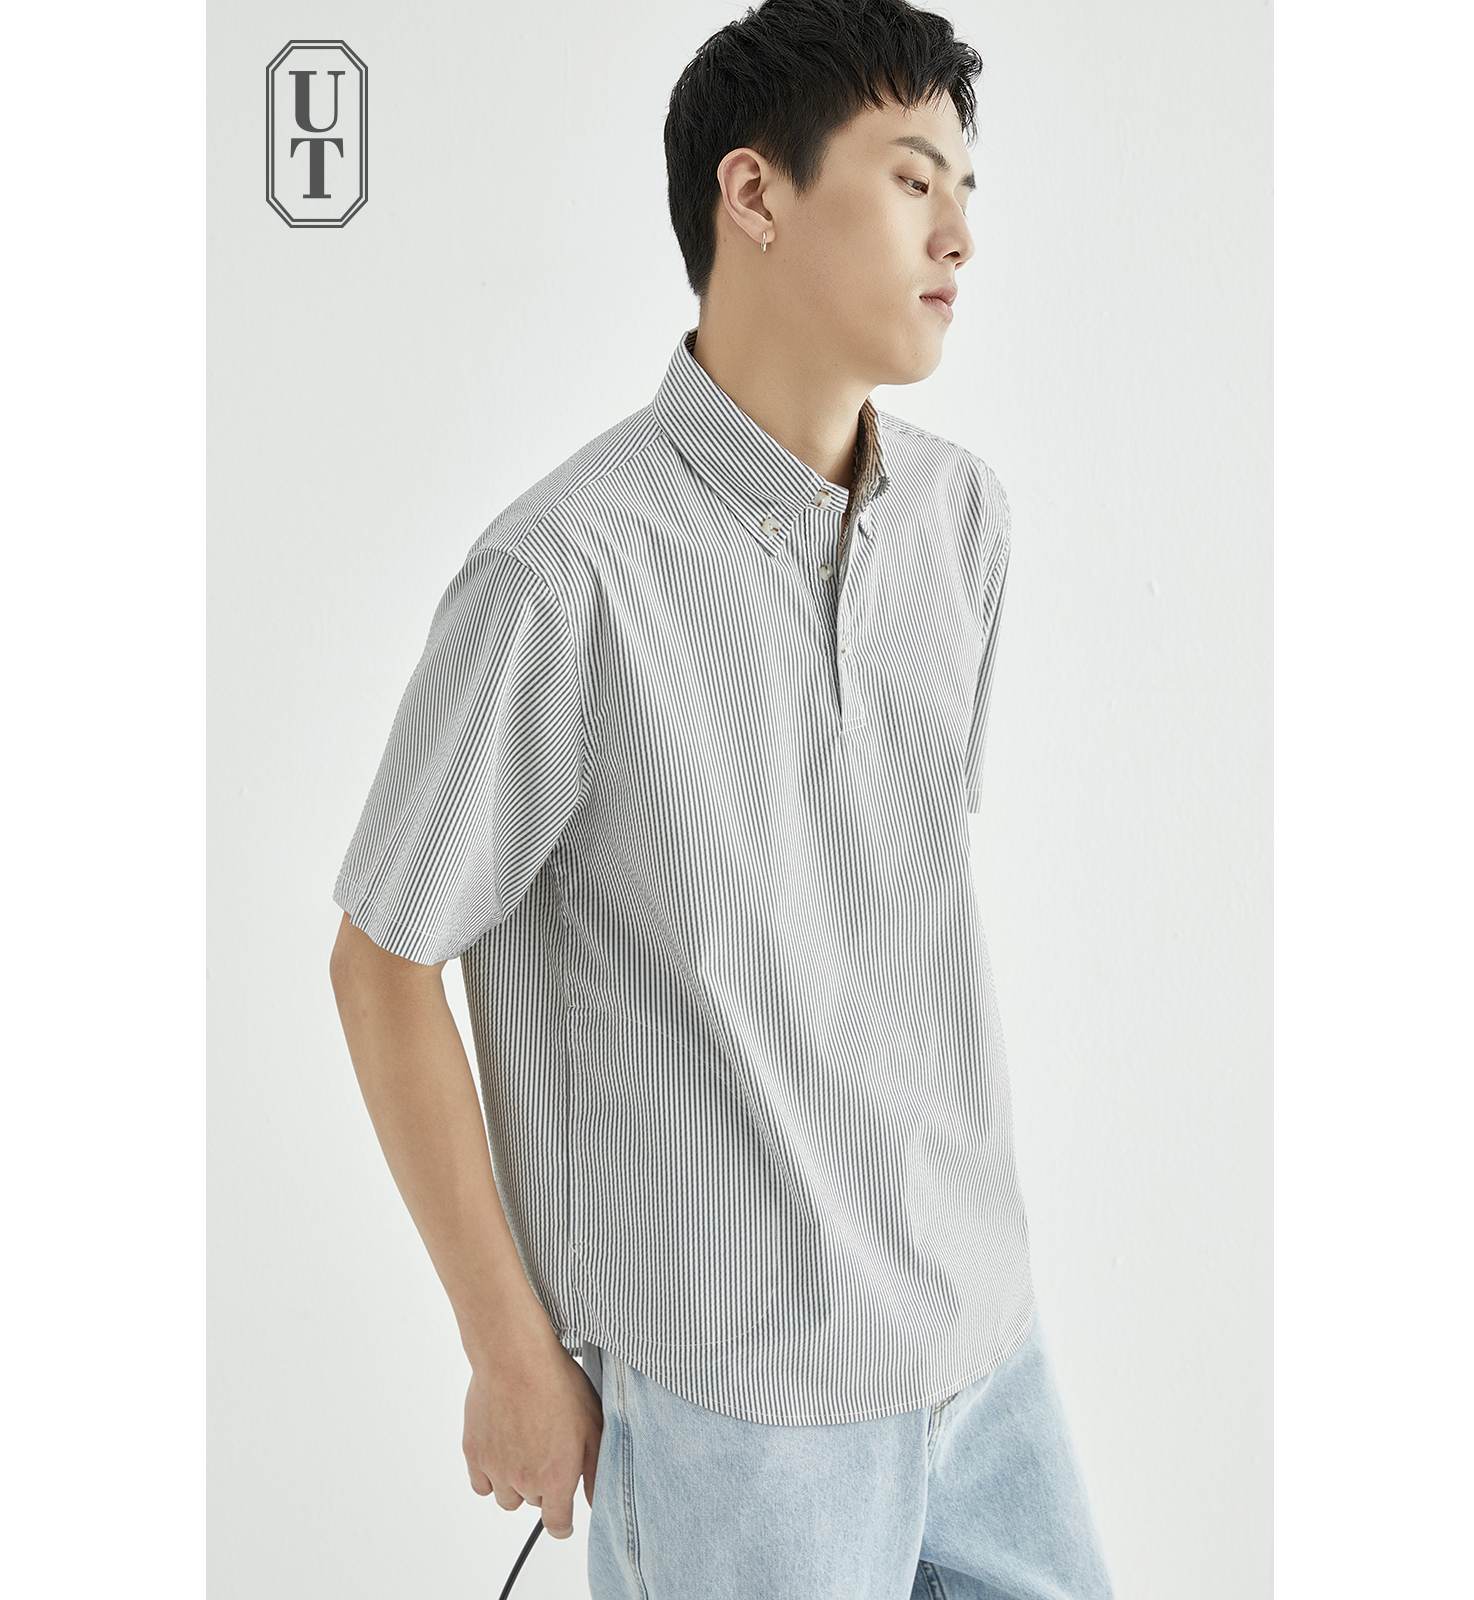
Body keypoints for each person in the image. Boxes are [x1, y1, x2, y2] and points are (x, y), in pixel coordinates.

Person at [329, 2, 1116, 1594]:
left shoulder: (964, 520)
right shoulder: (561, 574)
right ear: (754, 194)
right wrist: (508, 1350)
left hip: (984, 1342)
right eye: (912, 179)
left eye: (967, 188)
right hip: (737, 1404)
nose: (961, 234)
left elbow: (878, 926)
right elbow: (383, 959)